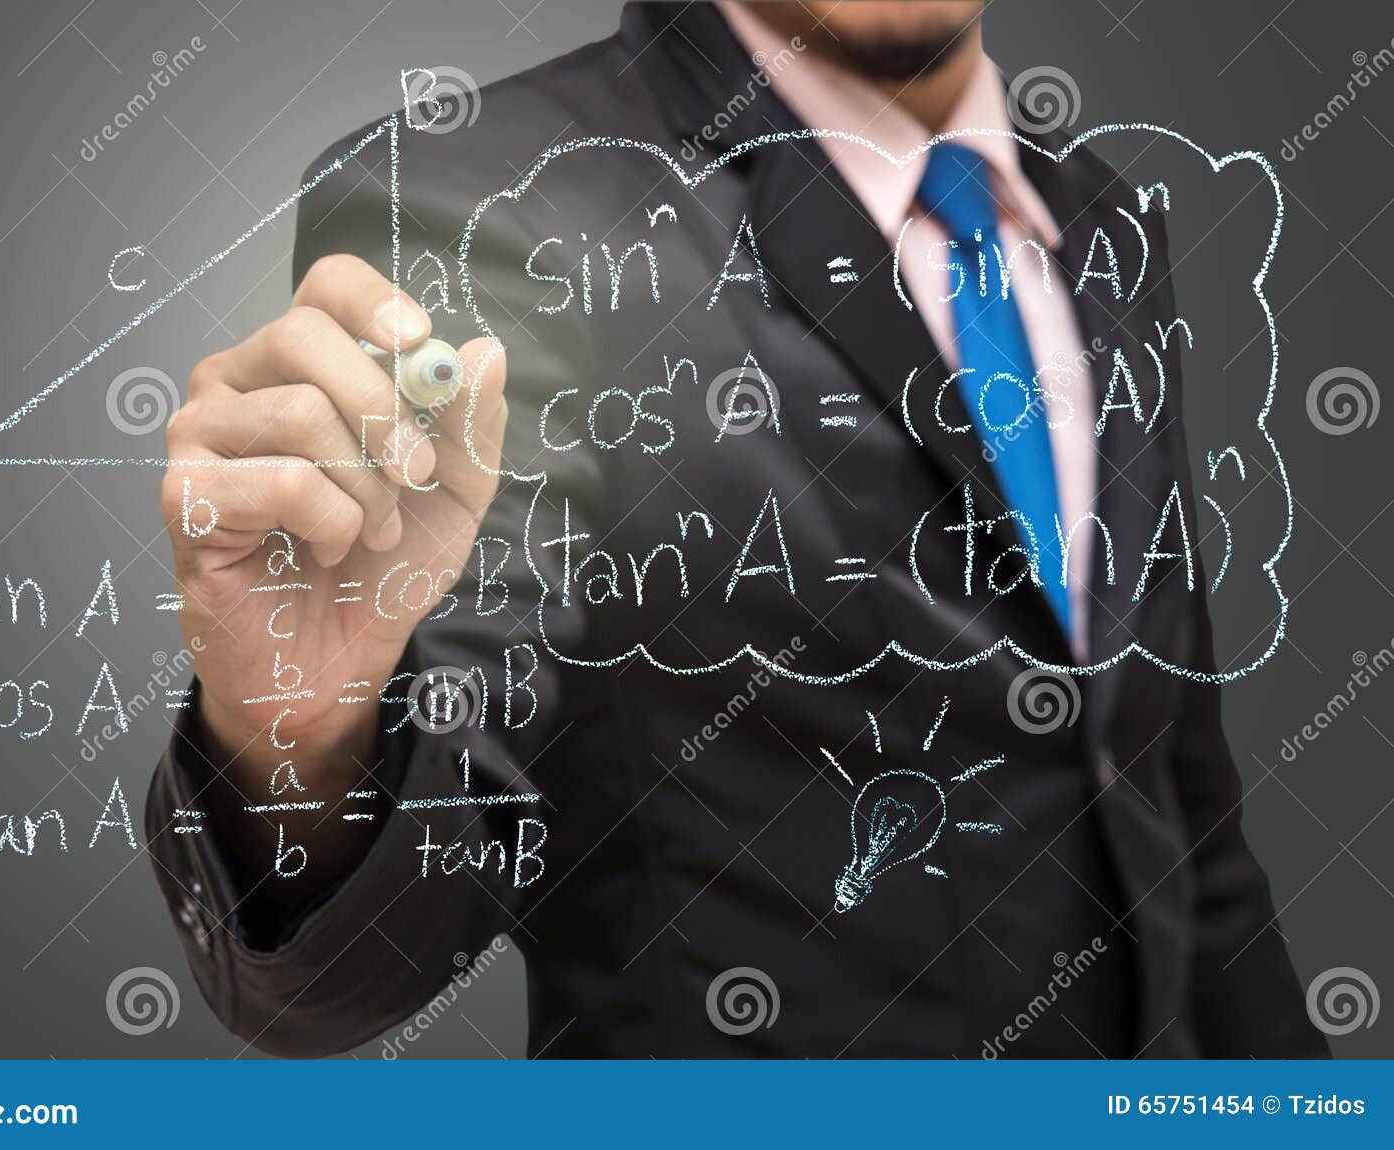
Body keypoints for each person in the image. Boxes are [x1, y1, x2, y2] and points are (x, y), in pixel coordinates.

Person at [145, 1, 1325, 1058]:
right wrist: (300, 732)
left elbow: (1172, 795)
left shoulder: (1103, 217)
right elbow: (372, 946)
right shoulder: (493, 196)